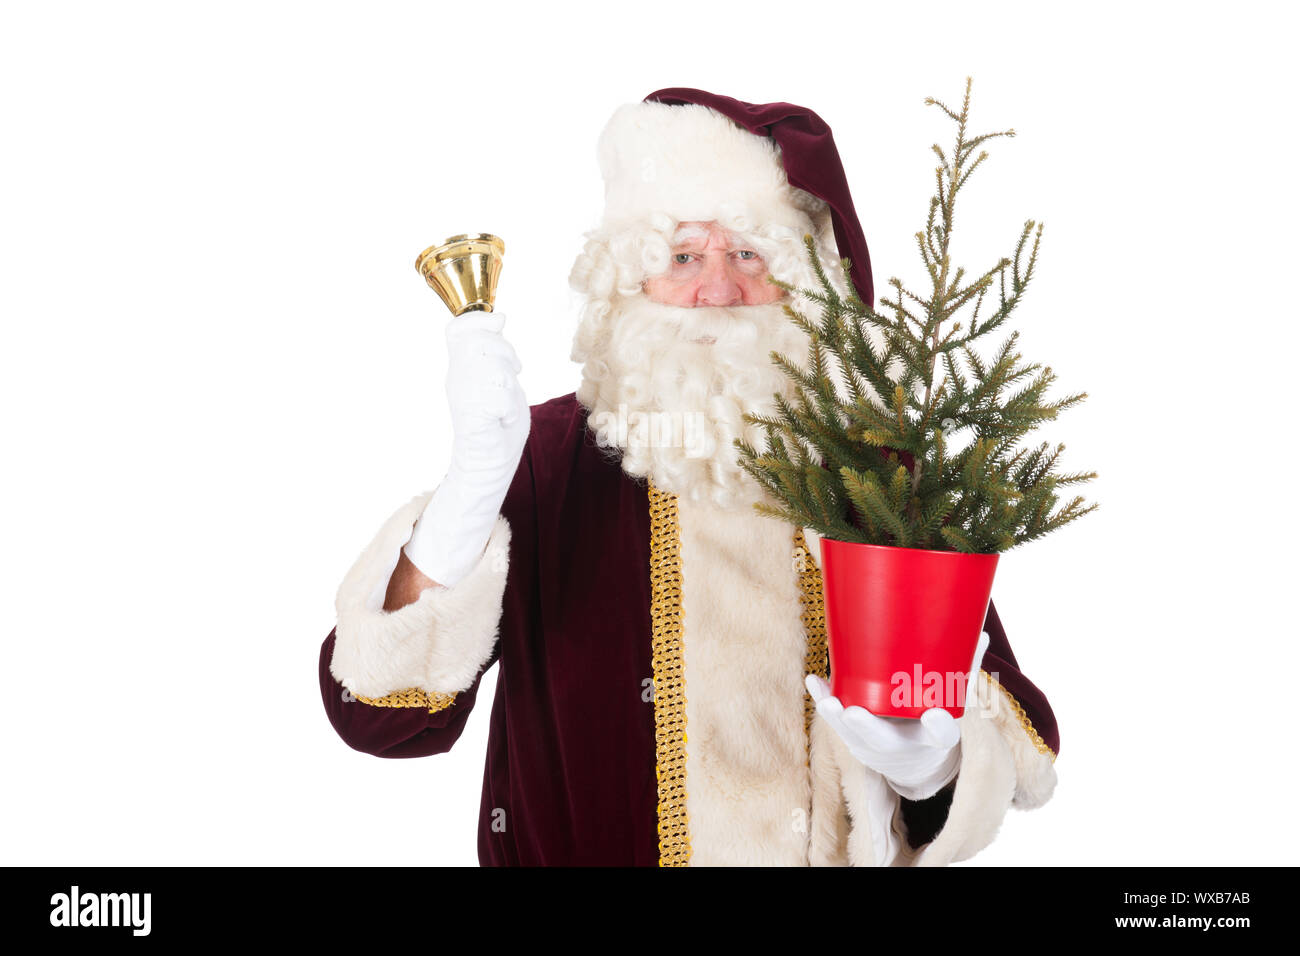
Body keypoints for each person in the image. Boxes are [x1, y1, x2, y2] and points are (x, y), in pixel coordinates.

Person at [318, 88, 1059, 866]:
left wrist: (933, 768)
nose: (718, 289)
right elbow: (381, 715)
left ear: (805, 283)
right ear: (628, 280)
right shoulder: (545, 455)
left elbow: (1002, 723)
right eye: (682, 257)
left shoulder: (872, 469)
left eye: (749, 254)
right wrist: (470, 491)